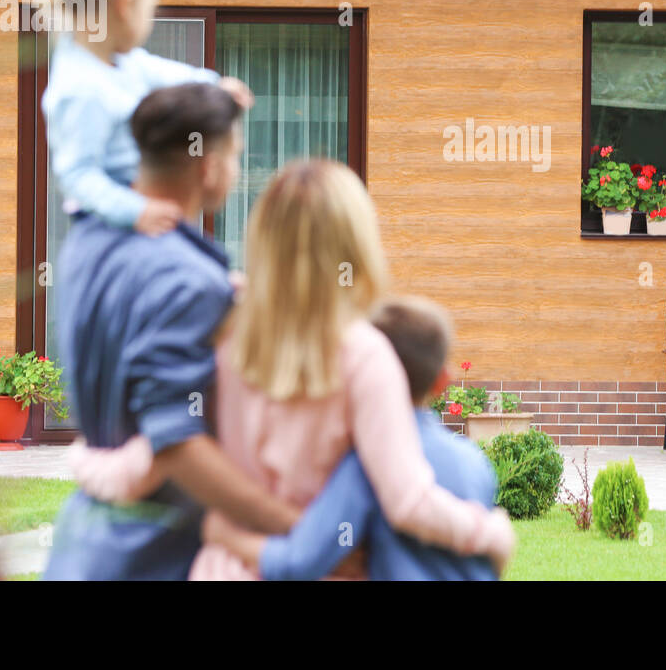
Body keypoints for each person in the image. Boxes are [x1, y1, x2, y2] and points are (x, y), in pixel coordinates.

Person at [67, 159, 515, 578]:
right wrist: (492, 534)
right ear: (356, 246)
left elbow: (153, 459)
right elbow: (409, 503)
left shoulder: (221, 339)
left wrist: (83, 458)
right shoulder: (363, 355)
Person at [43, 83, 299, 580]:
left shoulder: (90, 241)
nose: (236, 169)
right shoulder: (189, 280)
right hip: (156, 556)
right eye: (235, 156)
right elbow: (176, 441)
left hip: (84, 545)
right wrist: (290, 526)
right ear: (208, 166)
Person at [203, 297, 500, 580]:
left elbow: (300, 561)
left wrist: (226, 537)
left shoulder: (365, 463)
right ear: (442, 381)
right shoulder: (474, 461)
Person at [34, 0, 252, 235]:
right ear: (126, 4)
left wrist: (213, 85)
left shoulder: (117, 61)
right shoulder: (80, 88)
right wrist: (136, 211)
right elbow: (79, 176)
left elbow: (159, 72)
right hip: (109, 228)